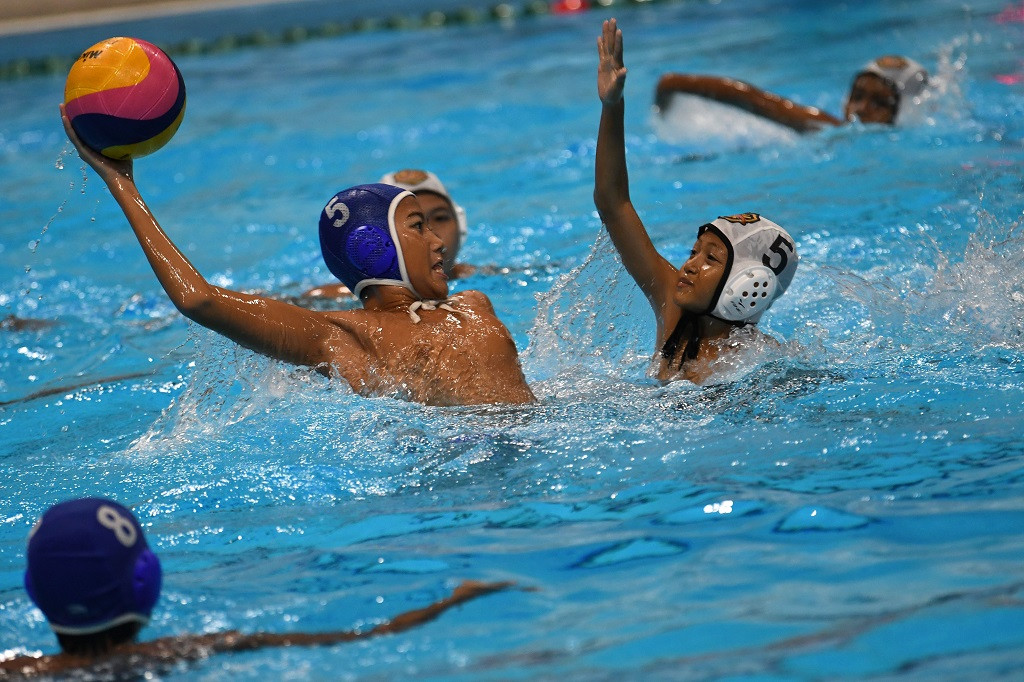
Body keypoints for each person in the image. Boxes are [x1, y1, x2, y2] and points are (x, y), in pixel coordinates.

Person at [60, 106, 534, 406]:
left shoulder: (474, 304)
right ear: (374, 247)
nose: (439, 242)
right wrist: (122, 184)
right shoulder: (344, 338)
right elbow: (197, 300)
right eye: (418, 227)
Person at [3, 497, 515, 677]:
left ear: (35, 591)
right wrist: (453, 600)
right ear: (146, 583)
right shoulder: (195, 649)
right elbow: (366, 638)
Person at [595, 19, 799, 384]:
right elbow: (613, 203)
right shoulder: (674, 312)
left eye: (711, 259)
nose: (689, 266)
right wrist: (613, 105)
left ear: (750, 283)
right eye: (694, 252)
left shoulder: (766, 362)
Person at [303, 168, 475, 300]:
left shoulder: (484, 280)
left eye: (440, 218)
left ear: (460, 227)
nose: (433, 237)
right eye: (416, 224)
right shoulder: (334, 298)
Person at [654, 54, 929, 132]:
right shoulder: (828, 127)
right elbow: (755, 100)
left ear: (905, 110)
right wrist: (677, 83)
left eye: (879, 102)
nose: (860, 108)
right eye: (856, 95)